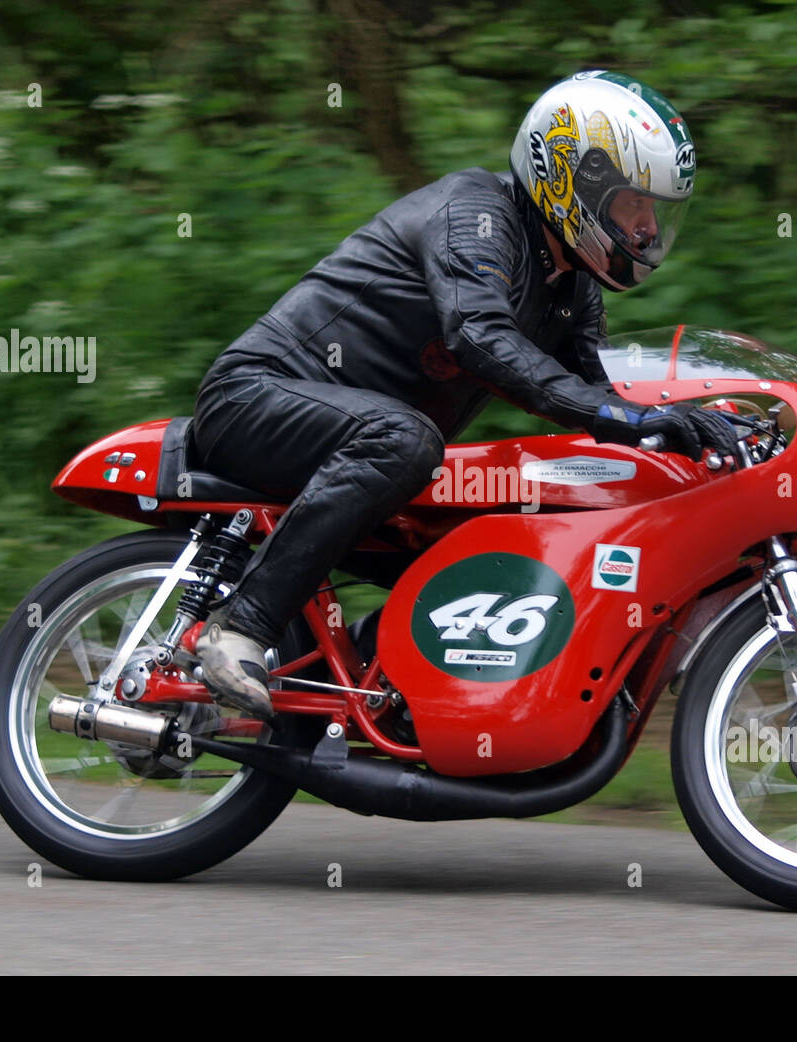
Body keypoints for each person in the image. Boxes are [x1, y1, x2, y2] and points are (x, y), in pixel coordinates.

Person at [191, 70, 737, 715]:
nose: (646, 228)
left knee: (492, 537)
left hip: (375, 453)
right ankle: (239, 628)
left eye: (655, 211)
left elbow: (594, 398)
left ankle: (373, 680)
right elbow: (478, 337)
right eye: (633, 204)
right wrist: (621, 413)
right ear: (575, 182)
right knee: (406, 439)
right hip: (254, 397)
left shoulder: (573, 283)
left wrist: (684, 429)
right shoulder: (477, 212)